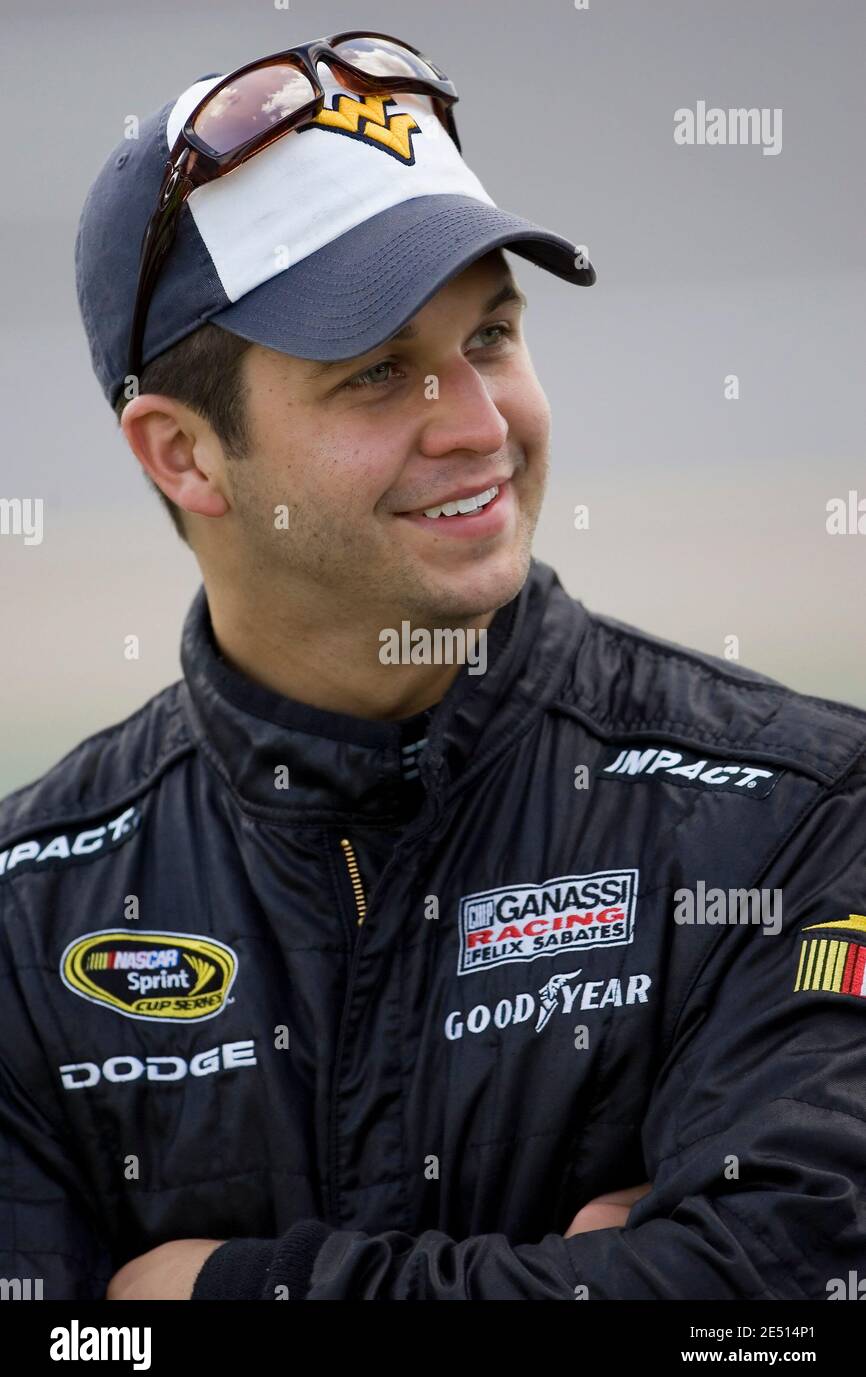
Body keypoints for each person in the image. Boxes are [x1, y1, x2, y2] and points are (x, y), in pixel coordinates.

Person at [2, 31, 865, 1303]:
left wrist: (215, 1292)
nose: (475, 425)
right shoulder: (29, 919)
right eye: (376, 376)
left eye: (493, 336)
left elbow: (782, 1307)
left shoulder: (798, 810)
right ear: (183, 454)